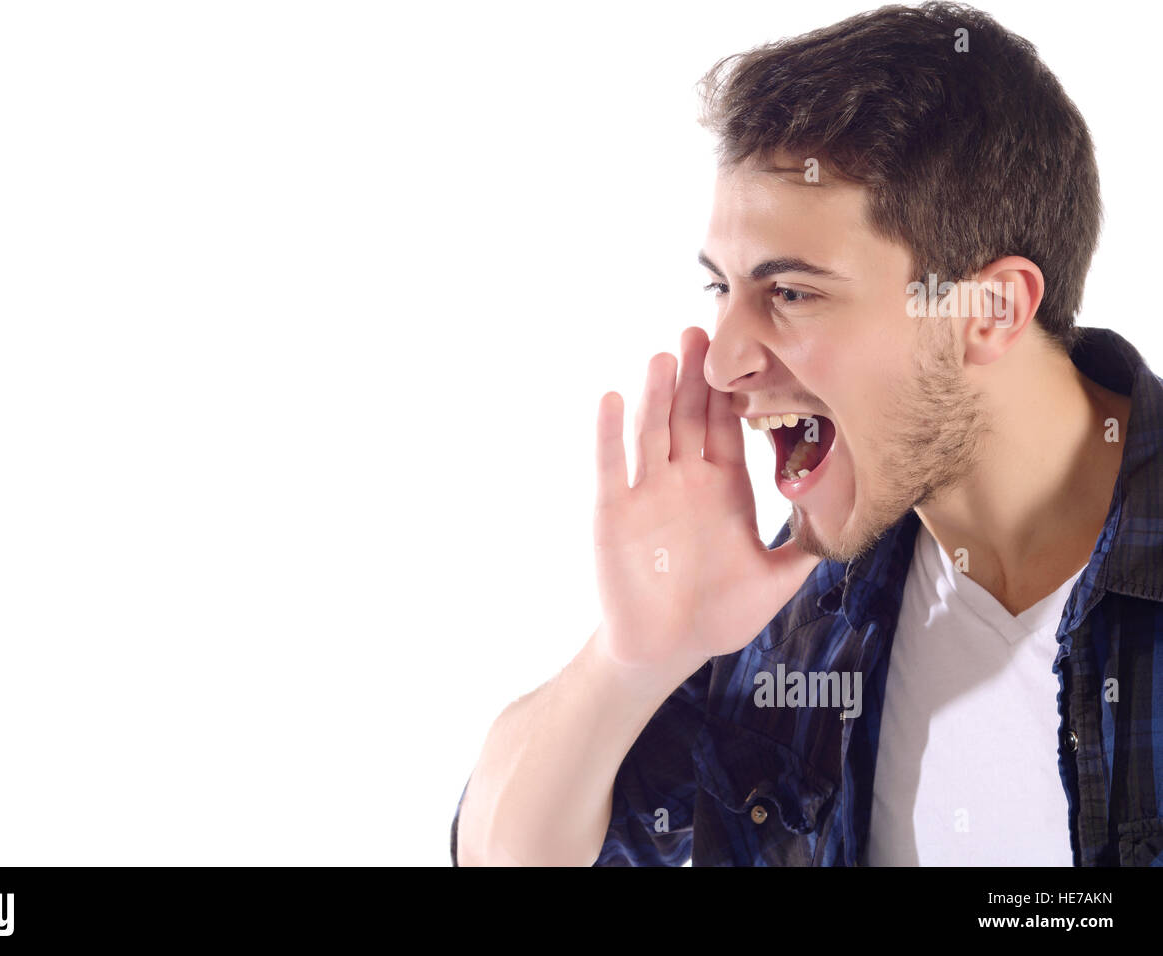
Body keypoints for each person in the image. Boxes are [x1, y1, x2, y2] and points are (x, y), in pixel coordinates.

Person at [450, 2, 1163, 866]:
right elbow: (506, 852)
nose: (721, 364)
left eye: (790, 292)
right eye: (722, 288)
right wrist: (633, 662)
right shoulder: (799, 614)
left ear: (989, 310)